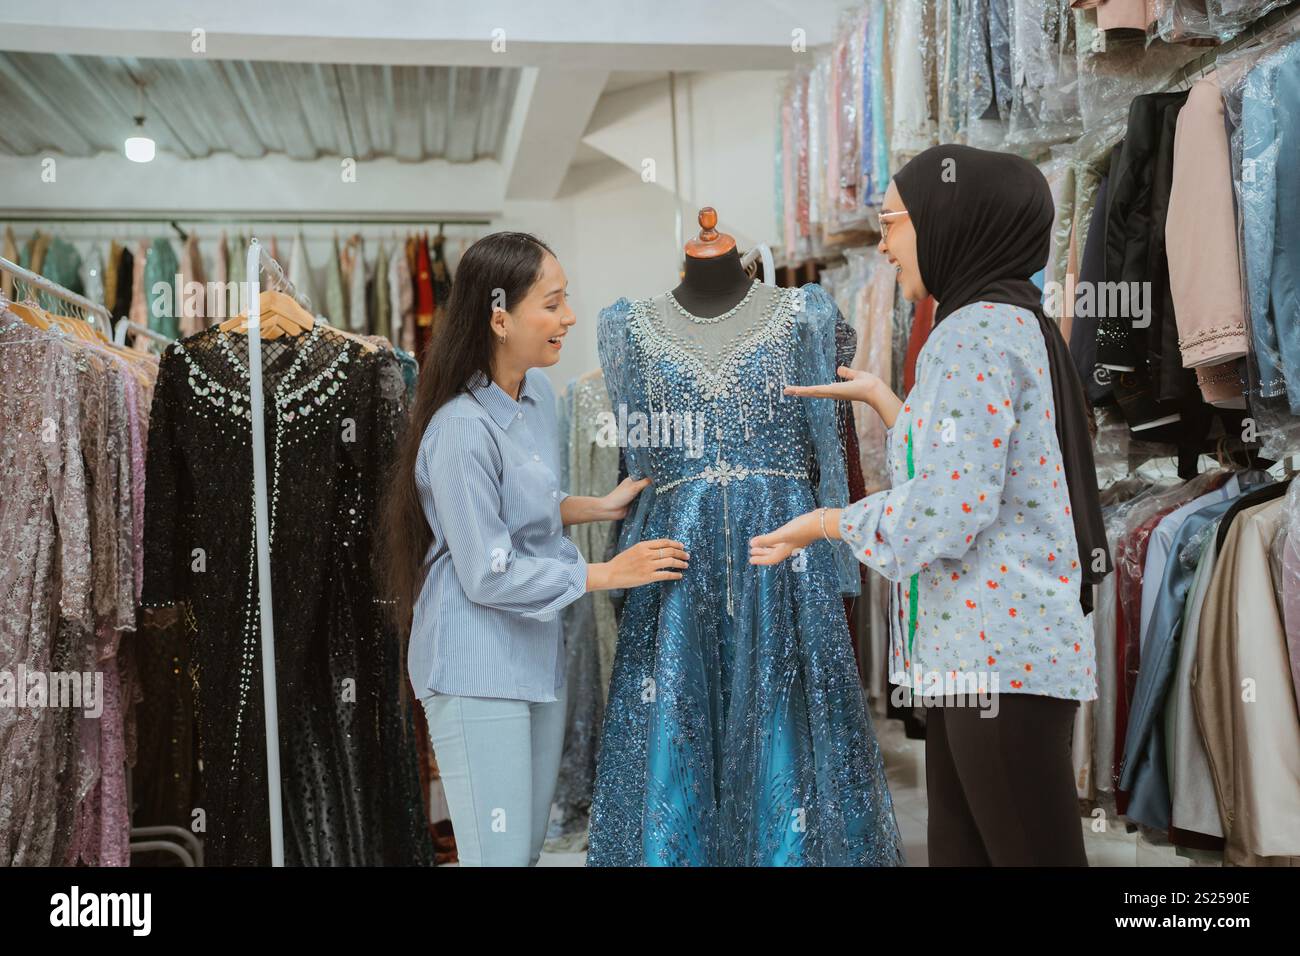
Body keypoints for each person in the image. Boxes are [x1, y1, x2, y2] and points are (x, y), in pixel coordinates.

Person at [750, 144, 1110, 866]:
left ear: (953, 220)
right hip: (986, 656)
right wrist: (889, 401)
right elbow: (990, 469)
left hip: (994, 657)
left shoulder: (970, 332)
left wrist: (826, 522)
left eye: (892, 223)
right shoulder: (1011, 321)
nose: (882, 245)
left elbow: (946, 511)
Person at [381, 231, 688, 866]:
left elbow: (517, 509)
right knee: (497, 857)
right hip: (474, 666)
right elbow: (486, 572)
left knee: (521, 854)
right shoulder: (459, 428)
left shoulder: (538, 396)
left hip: (535, 652)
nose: (569, 317)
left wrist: (591, 506)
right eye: (553, 303)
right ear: (500, 317)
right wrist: (606, 573)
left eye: (565, 300)